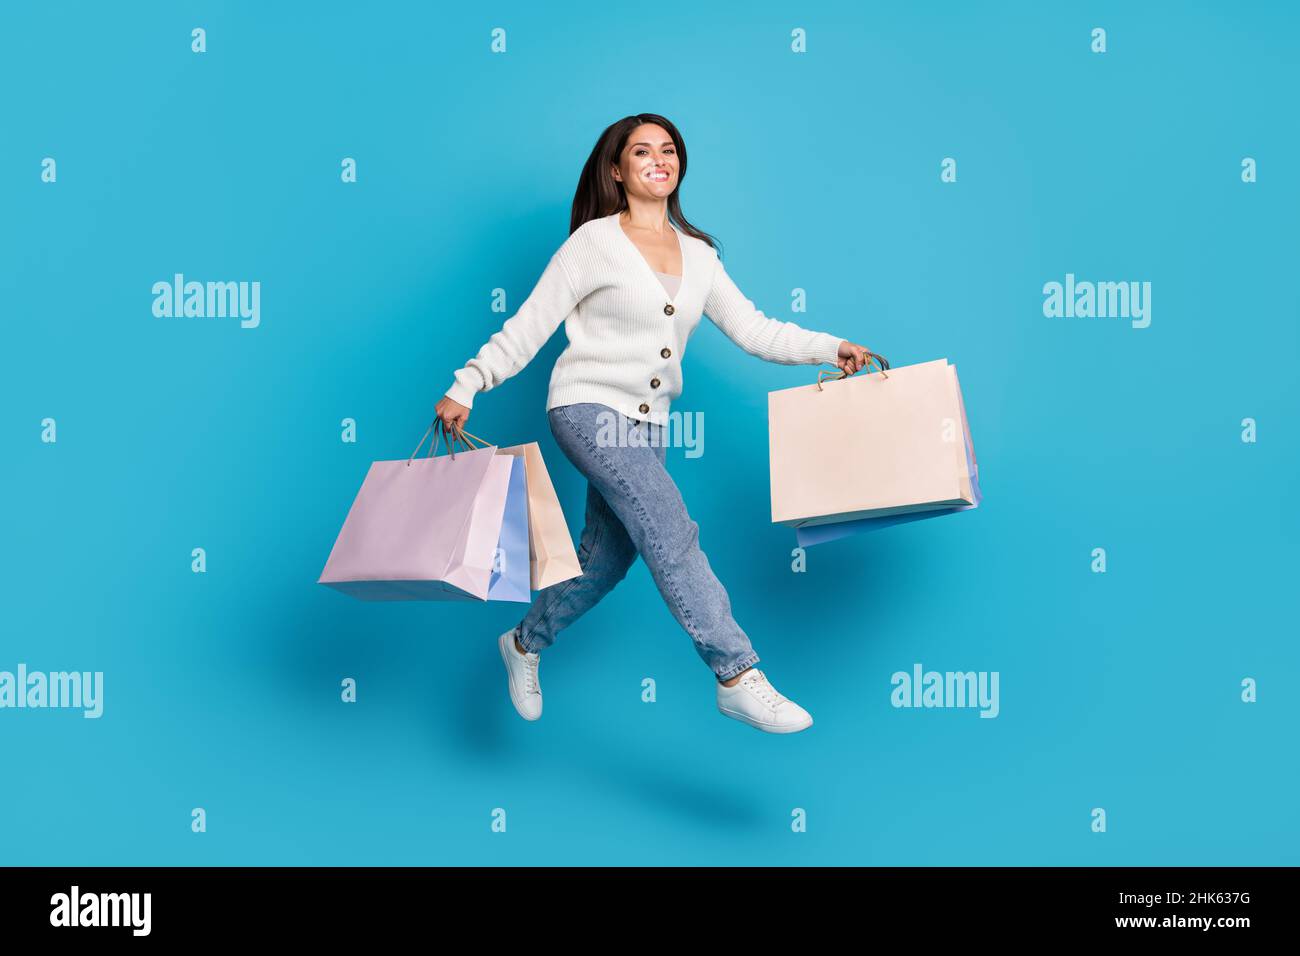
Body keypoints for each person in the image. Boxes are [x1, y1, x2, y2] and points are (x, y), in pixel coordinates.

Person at [435, 113, 876, 733]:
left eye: (668, 150)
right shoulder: (594, 242)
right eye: (642, 151)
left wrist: (831, 348)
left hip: (648, 426)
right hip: (588, 408)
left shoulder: (699, 257)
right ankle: (737, 673)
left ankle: (525, 642)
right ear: (617, 170)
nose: (658, 160)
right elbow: (530, 324)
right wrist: (469, 383)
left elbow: (756, 329)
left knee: (608, 559)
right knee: (672, 528)